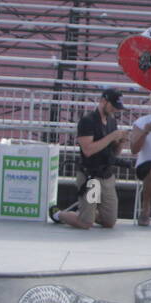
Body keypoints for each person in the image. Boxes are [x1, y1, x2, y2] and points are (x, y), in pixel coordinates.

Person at [52, 87, 127, 230]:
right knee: (85, 223)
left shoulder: (111, 122)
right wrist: (111, 136)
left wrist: (121, 141)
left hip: (107, 175)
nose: (115, 111)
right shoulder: (88, 121)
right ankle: (59, 214)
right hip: (91, 178)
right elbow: (88, 150)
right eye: (113, 107)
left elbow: (114, 152)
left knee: (109, 222)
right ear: (103, 101)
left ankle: (88, 212)